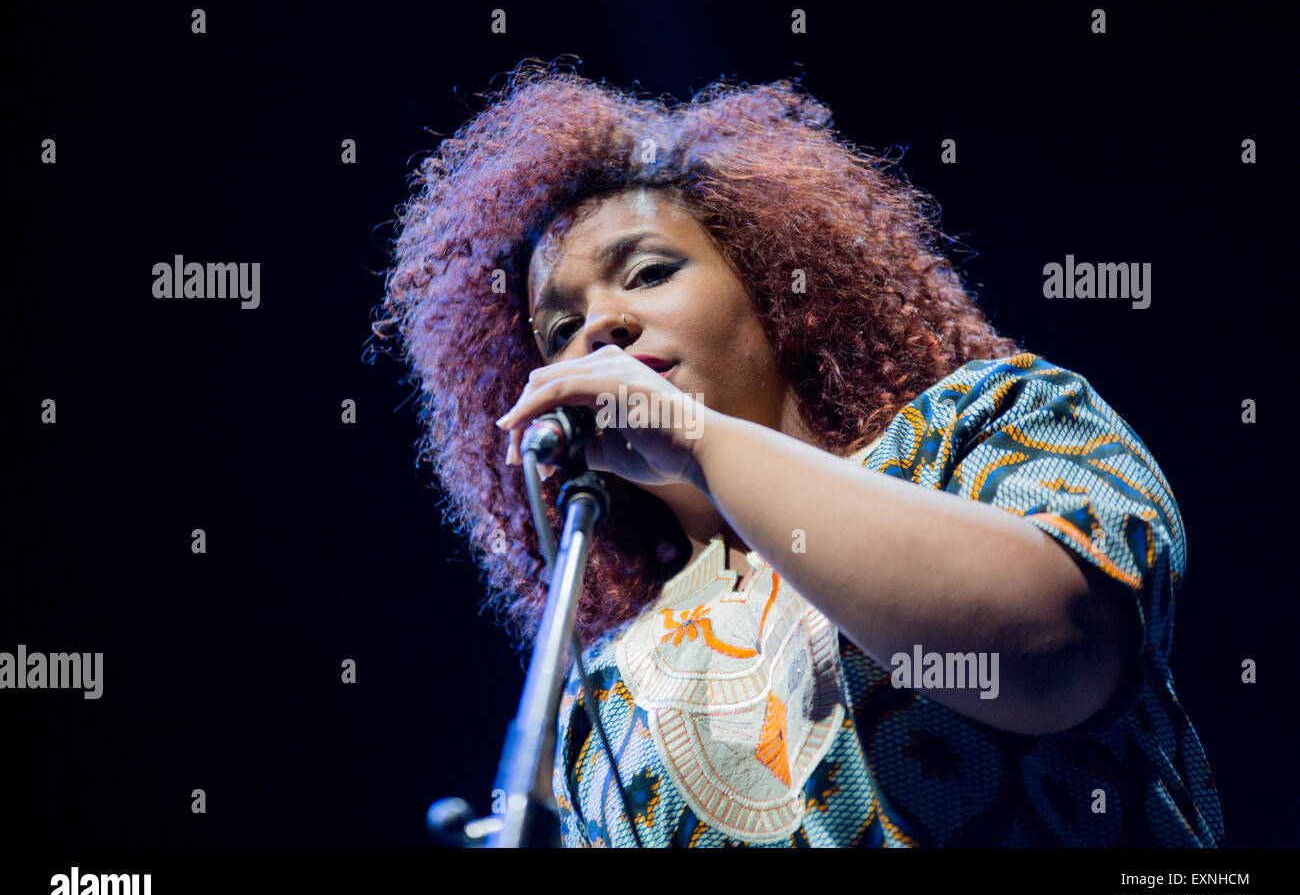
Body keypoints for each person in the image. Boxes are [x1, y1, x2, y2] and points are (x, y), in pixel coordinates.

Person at [372, 58, 1224, 847]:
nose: (599, 326)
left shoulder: (989, 424)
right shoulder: (601, 691)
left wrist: (702, 442)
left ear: (774, 285)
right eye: (560, 330)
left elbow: (1053, 655)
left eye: (649, 273)